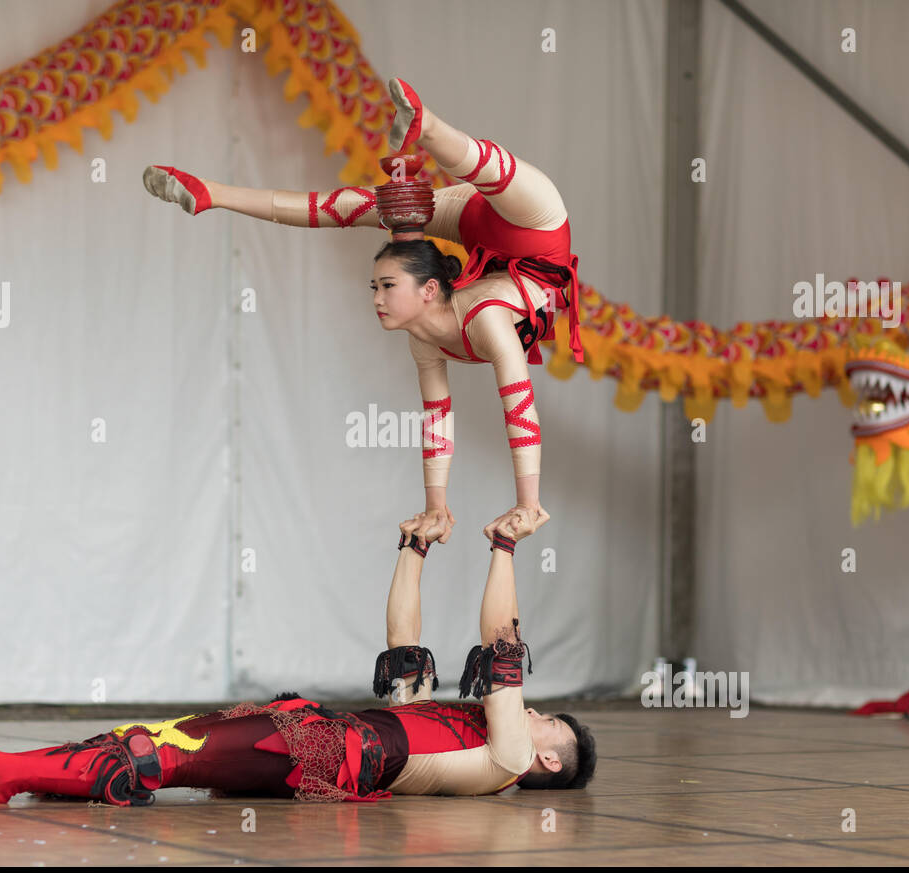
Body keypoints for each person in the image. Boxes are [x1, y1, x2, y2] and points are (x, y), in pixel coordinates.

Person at [142, 77, 583, 546]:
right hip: (483, 227)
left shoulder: (488, 317)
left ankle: (427, 126)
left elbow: (518, 405)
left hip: (538, 229)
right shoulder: (424, 335)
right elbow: (437, 417)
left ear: (429, 288)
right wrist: (437, 507)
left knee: (487, 170)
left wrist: (527, 503)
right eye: (376, 286)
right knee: (359, 206)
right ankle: (211, 193)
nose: (375, 298)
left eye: (387, 286)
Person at [0, 509, 596, 806]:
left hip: (321, 748)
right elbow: (404, 651)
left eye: (546, 722)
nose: (530, 712)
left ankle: (7, 774)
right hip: (314, 734)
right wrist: (414, 550)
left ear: (547, 760)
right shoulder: (461, 732)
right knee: (150, 745)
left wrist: (504, 548)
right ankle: (14, 774)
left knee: (152, 754)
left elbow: (503, 652)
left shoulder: (500, 763)